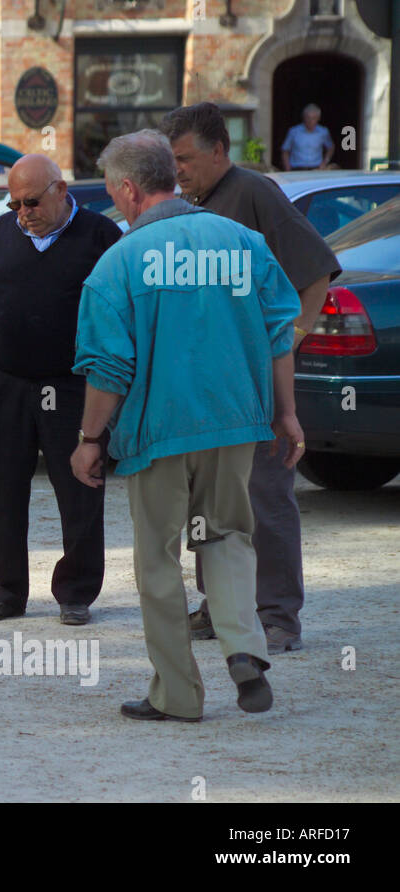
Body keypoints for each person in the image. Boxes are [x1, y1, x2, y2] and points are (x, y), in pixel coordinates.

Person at [72, 130, 304, 721]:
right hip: (235, 423)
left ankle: (177, 695)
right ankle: (244, 649)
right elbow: (280, 333)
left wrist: (90, 440)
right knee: (226, 538)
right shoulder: (244, 243)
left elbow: (108, 367)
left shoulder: (118, 263)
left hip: (159, 433)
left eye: (112, 192)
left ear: (129, 189)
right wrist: (286, 414)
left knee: (158, 558)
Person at [160, 101, 340, 652]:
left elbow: (316, 271)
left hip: (254, 384)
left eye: (186, 159)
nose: (178, 169)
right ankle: (221, 604)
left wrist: (290, 338)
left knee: (264, 496)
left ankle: (278, 615)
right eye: (172, 160)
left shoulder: (255, 192)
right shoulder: (188, 204)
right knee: (209, 498)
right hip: (204, 383)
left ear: (220, 150)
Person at [0, 154, 122, 625]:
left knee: (80, 489)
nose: (23, 213)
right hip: (7, 383)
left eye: (31, 202)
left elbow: (122, 311)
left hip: (73, 386)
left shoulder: (101, 237)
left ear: (61, 190)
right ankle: (7, 591)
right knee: (3, 489)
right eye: (15, 205)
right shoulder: (1, 233)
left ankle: (76, 592)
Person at [280, 104, 334, 171]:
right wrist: (287, 167)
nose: (310, 121)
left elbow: (330, 147)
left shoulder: (323, 132)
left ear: (318, 118)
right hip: (297, 168)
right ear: (303, 118)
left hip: (316, 168)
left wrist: (324, 162)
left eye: (314, 118)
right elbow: (285, 150)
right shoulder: (294, 131)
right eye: (308, 117)